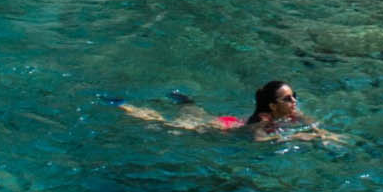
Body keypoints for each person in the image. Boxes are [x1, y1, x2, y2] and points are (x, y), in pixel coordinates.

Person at [120, 79, 343, 143]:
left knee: (194, 112)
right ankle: (127, 106)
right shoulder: (262, 121)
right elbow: (259, 140)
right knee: (168, 124)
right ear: (273, 106)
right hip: (224, 127)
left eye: (295, 96)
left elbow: (313, 124)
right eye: (288, 98)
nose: (294, 101)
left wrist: (324, 135)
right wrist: (297, 137)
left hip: (233, 120)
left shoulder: (290, 113)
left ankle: (185, 102)